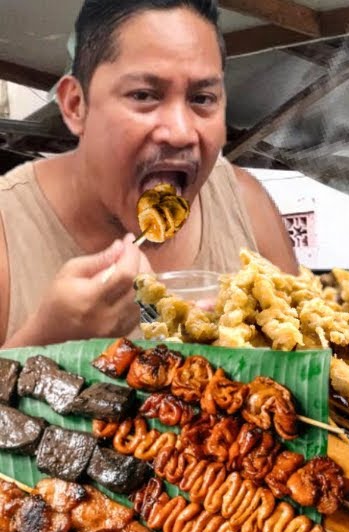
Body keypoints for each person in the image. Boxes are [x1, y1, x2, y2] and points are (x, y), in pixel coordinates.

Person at [0, 0, 297, 347]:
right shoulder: (8, 231)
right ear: (75, 105)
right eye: (144, 95)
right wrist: (48, 337)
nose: (181, 132)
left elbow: (313, 361)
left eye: (202, 98)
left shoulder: (246, 206)